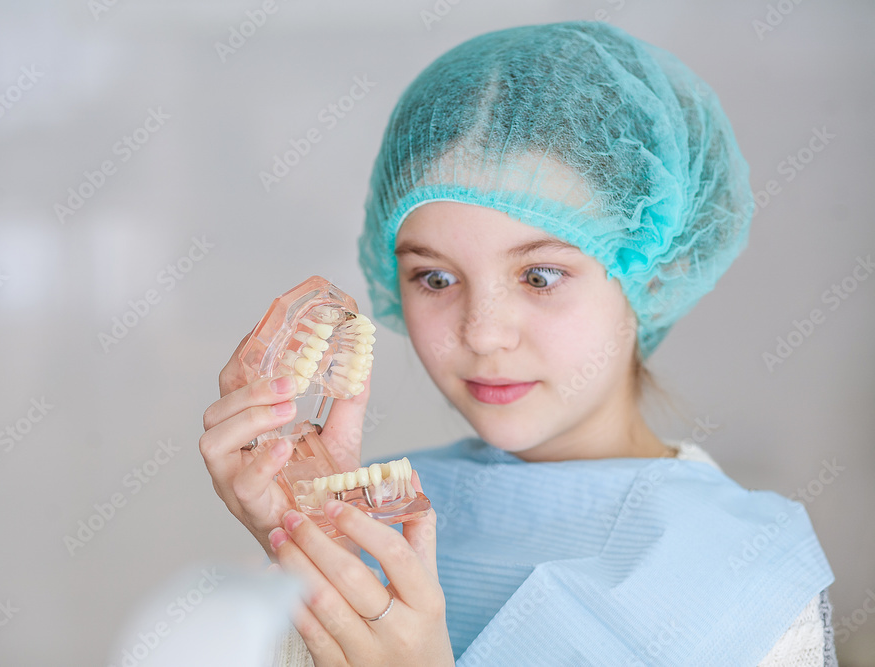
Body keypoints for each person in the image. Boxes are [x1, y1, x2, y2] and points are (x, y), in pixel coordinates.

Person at [200, 21, 836, 666]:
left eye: (540, 276)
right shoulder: (372, 509)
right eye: (436, 277)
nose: (481, 331)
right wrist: (305, 541)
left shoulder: (739, 573)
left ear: (655, 266)